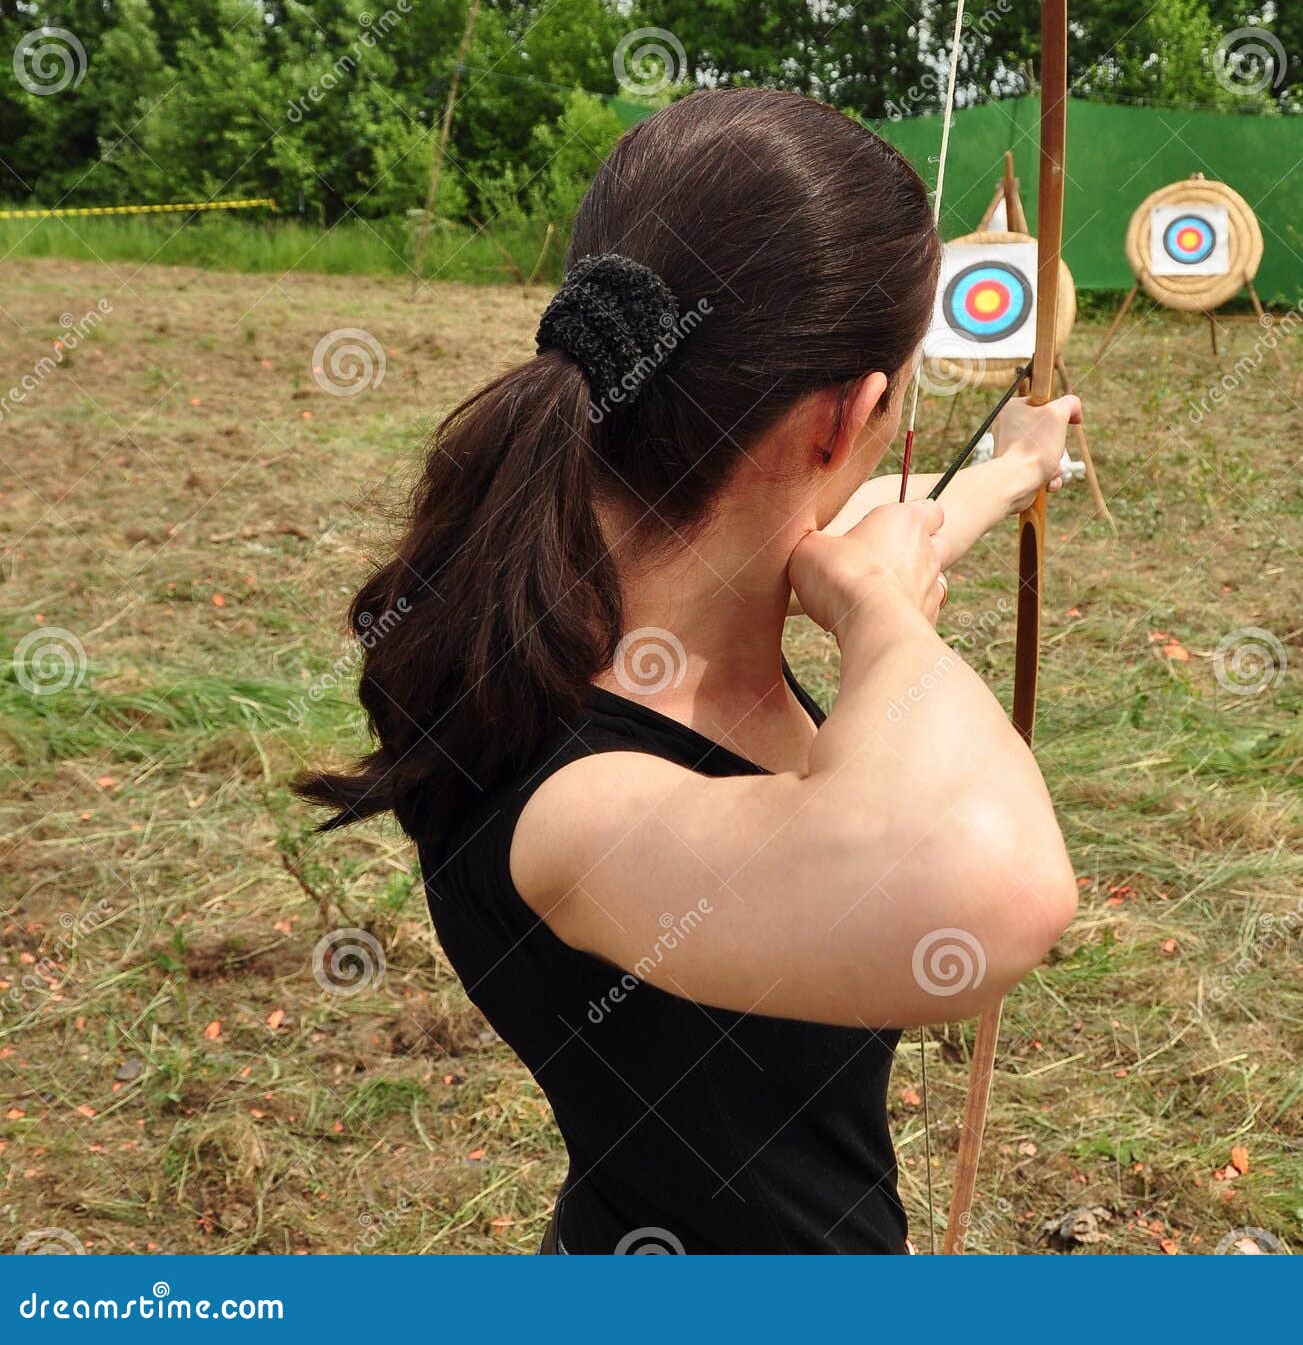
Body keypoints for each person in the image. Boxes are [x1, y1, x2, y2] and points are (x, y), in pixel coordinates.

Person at [297, 88, 1079, 1254]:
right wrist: (882, 621)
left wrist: (1010, 470)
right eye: (894, 404)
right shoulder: (580, 807)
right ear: (847, 413)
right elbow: (1001, 884)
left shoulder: (572, 588)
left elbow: (867, 525)